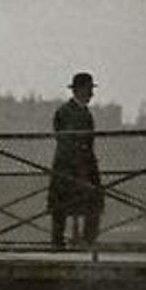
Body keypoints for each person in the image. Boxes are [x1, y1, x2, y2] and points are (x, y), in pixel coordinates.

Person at [48, 72, 103, 249]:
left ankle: (85, 240)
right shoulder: (66, 112)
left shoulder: (81, 113)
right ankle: (60, 241)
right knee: (63, 204)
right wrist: (80, 163)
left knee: (90, 202)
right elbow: (67, 140)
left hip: (81, 164)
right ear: (79, 90)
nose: (91, 95)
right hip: (68, 166)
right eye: (88, 90)